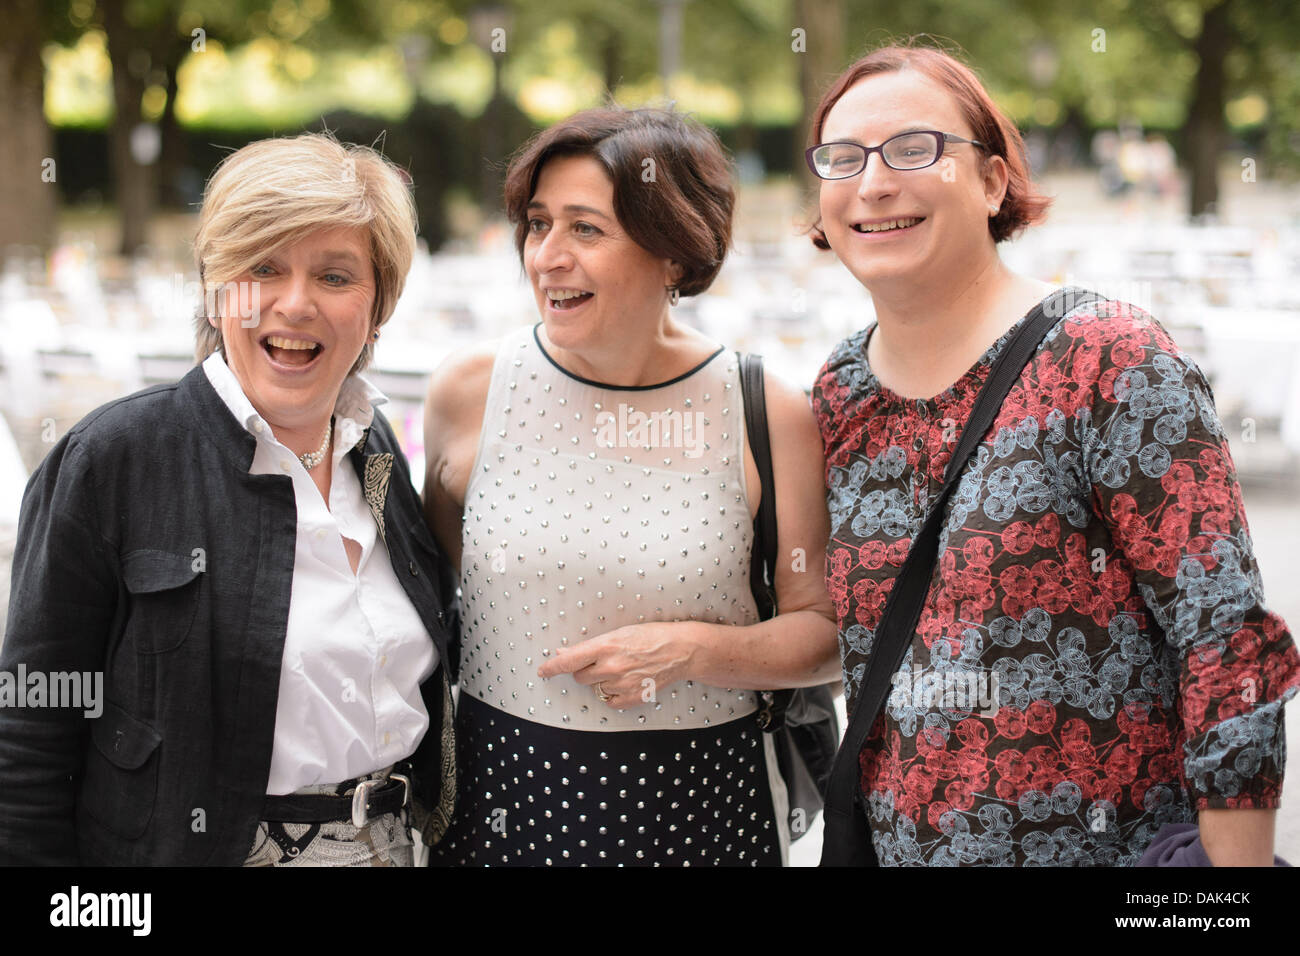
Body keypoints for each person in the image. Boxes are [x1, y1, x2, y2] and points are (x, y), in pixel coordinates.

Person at [805, 43, 1300, 866]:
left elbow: (1225, 637)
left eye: (914, 148)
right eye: (843, 157)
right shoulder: (840, 392)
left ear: (994, 182)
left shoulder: (1106, 357)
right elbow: (832, 626)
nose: (874, 182)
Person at [0, 133, 457, 866]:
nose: (296, 303)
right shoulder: (114, 459)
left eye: (336, 276)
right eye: (262, 269)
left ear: (379, 308)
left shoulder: (376, 459)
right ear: (216, 290)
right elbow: (30, 731)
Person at [422, 107, 839, 866]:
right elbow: (444, 593)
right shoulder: (468, 392)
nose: (547, 256)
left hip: (702, 809)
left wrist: (691, 650)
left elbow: (825, 635)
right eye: (538, 223)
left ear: (673, 253)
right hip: (503, 805)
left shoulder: (765, 412)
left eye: (586, 229)